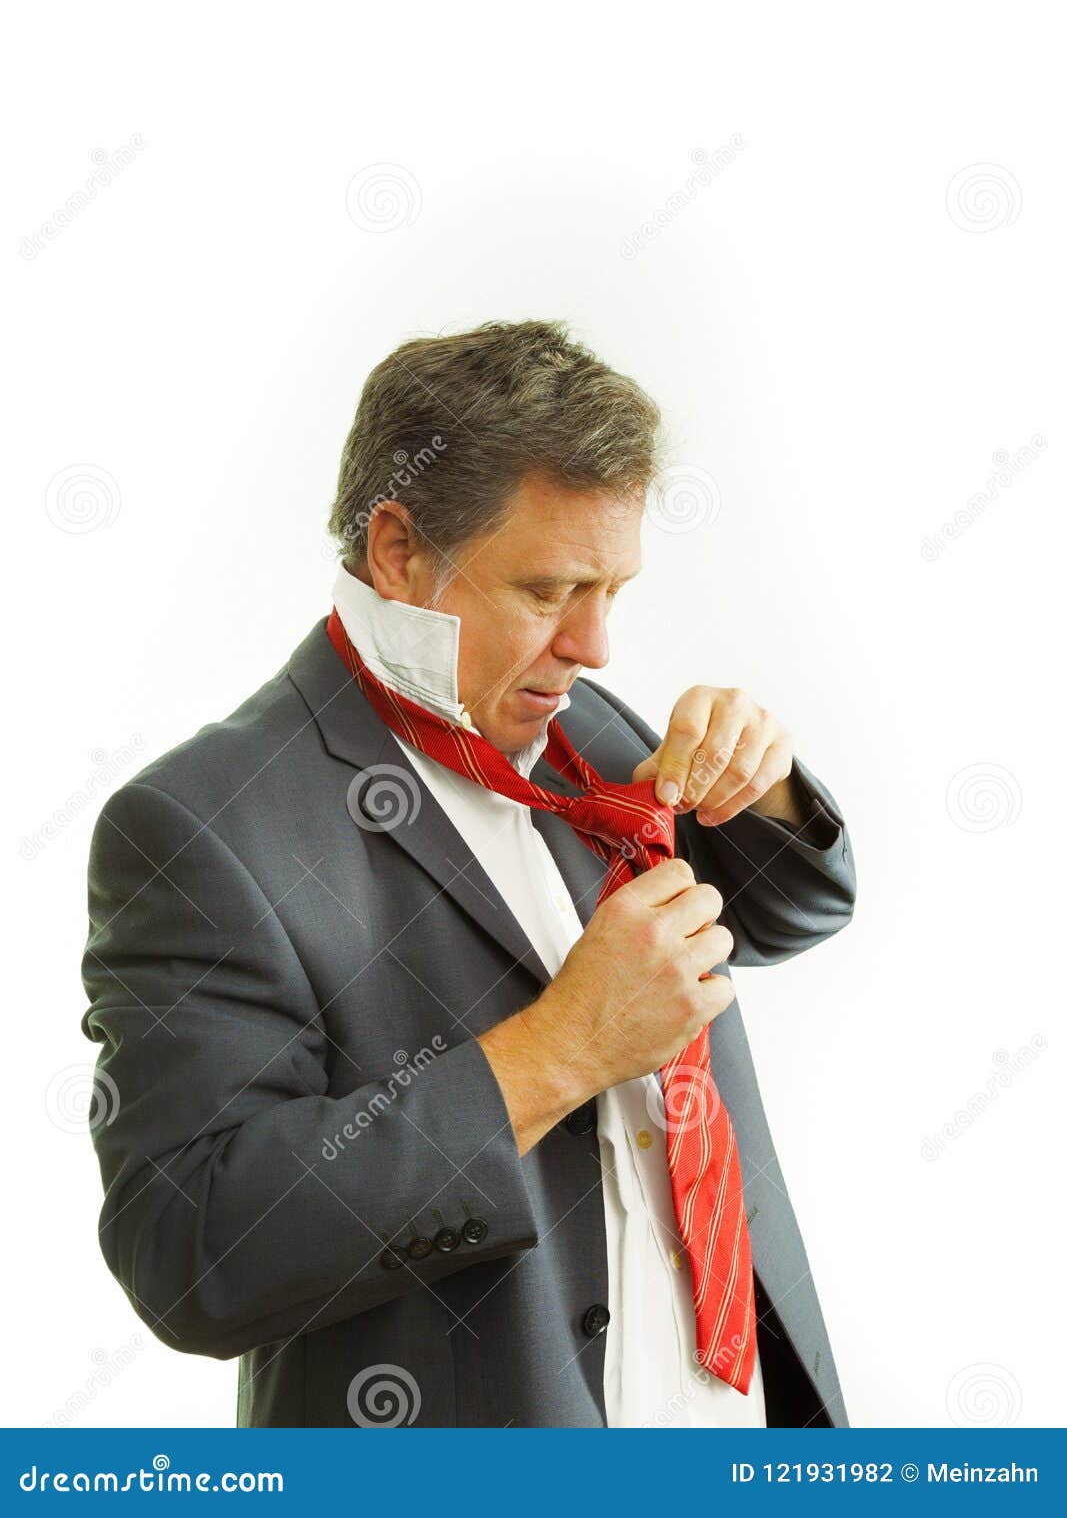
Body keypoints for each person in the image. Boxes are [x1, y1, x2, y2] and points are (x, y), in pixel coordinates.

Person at [81, 320, 856, 1428]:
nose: (595, 646)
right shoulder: (201, 824)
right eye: (548, 590)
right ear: (397, 548)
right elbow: (196, 1251)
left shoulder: (577, 724)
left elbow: (795, 910)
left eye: (612, 590)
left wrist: (765, 785)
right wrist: (561, 1050)